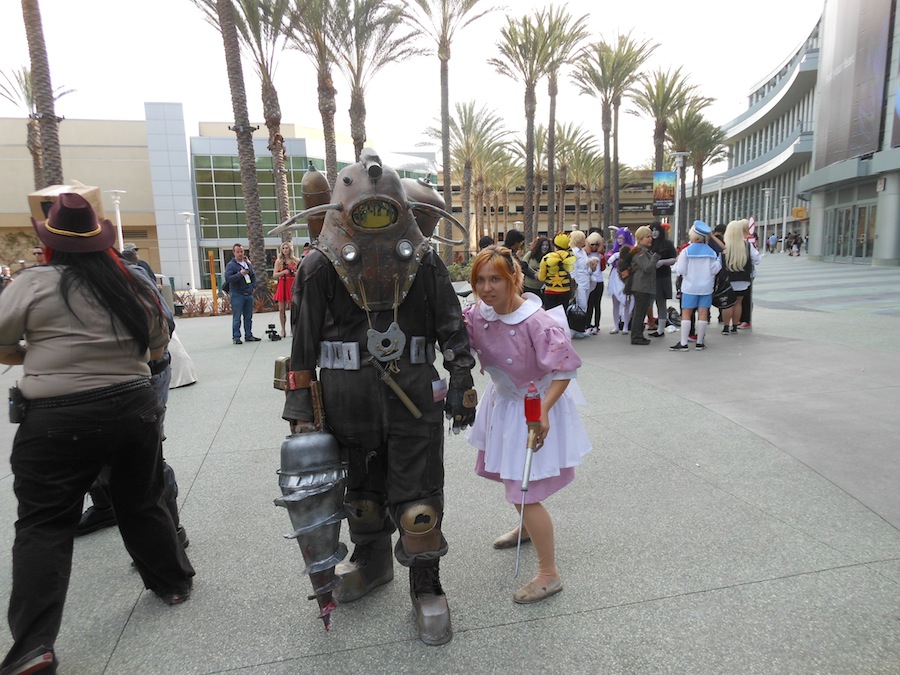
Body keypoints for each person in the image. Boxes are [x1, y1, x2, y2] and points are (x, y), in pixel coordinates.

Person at [280, 154, 476, 645]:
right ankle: (371, 560)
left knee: (418, 504)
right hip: (346, 402)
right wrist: (301, 412)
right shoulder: (317, 268)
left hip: (413, 395)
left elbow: (452, 327)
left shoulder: (425, 261)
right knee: (362, 498)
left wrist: (460, 380)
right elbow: (300, 350)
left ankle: (426, 583)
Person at [0, 193, 195, 674]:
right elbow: (156, 344)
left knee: (43, 524)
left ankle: (33, 644)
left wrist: (42, 355)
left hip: (54, 417)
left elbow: (3, 341)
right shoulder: (128, 281)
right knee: (142, 499)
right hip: (131, 405)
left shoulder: (33, 281)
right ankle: (172, 583)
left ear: (51, 242)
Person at [464, 246, 591, 604]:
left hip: (534, 406)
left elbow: (565, 370)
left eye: (496, 280)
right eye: (480, 280)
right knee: (514, 479)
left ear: (515, 279)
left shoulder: (537, 322)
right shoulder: (477, 314)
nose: (487, 288)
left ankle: (549, 574)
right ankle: (526, 529)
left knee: (527, 490)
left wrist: (544, 411)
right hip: (503, 403)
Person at [75, 246, 189, 550]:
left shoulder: (130, 276)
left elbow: (164, 327)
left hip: (143, 375)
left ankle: (171, 530)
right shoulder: (68, 279)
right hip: (96, 382)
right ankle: (105, 507)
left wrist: (140, 357)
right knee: (96, 451)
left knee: (148, 456)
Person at [669, 221, 721, 352]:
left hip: (690, 287)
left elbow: (680, 270)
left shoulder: (686, 251)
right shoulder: (711, 252)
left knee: (686, 313)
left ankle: (684, 343)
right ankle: (699, 343)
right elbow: (715, 269)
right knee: (703, 313)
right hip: (706, 288)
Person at [720, 219, 760, 334]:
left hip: (727, 279)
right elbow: (757, 259)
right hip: (743, 279)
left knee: (727, 304)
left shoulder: (725, 245)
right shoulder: (747, 245)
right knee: (738, 303)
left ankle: (726, 327)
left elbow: (718, 263)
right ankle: (734, 327)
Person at [627, 226, 659, 346]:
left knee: (642, 311)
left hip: (645, 286)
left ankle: (639, 334)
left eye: (651, 236)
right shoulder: (640, 252)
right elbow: (647, 267)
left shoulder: (645, 251)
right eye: (647, 237)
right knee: (639, 313)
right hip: (640, 286)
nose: (650, 239)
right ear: (640, 238)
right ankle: (636, 336)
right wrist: (656, 256)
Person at [225, 243, 260, 344]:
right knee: (237, 317)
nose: (240, 253)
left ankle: (248, 335)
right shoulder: (231, 265)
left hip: (248, 293)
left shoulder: (247, 264)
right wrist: (239, 274)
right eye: (238, 252)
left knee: (248, 316)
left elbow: (253, 276)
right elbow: (228, 278)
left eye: (241, 251)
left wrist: (253, 286)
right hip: (237, 294)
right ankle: (236, 337)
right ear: (234, 253)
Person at [647, 222, 677, 337]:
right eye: (652, 230)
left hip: (662, 276)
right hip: (649, 276)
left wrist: (663, 262)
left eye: (656, 230)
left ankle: (660, 329)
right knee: (648, 302)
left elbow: (674, 259)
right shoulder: (648, 243)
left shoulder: (667, 244)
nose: (654, 233)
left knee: (661, 302)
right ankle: (651, 323)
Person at [568, 230, 597, 339]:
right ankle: (574, 329)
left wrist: (592, 268)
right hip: (578, 283)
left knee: (583, 307)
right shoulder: (574, 252)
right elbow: (573, 270)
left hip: (586, 281)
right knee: (580, 305)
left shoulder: (583, 252)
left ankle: (579, 328)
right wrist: (574, 285)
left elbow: (586, 269)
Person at [606, 227, 635, 334]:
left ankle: (626, 326)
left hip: (626, 276)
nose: (619, 240)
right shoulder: (614, 250)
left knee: (626, 301)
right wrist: (613, 255)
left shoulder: (631, 250)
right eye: (618, 237)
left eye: (622, 238)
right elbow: (608, 256)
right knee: (615, 302)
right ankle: (616, 326)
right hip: (615, 275)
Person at [538, 232, 575, 311]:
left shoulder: (546, 258)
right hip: (566, 291)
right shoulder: (571, 257)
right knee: (563, 314)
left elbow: (541, 278)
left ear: (555, 245)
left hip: (550, 291)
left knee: (551, 316)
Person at [273, 241, 301, 338]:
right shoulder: (279, 261)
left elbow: (301, 274)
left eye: (287, 248)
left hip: (292, 284)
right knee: (281, 309)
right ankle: (283, 329)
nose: (285, 250)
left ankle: (293, 329)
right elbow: (275, 275)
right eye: (283, 248)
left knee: (292, 308)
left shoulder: (296, 260)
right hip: (282, 284)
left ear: (290, 249)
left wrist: (293, 272)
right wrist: (284, 272)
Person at [585, 232, 606, 335]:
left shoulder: (600, 254)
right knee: (589, 304)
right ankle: (587, 325)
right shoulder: (585, 254)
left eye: (596, 244)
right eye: (592, 244)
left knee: (597, 305)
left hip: (599, 281)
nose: (594, 246)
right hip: (589, 281)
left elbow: (603, 268)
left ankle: (597, 326)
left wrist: (602, 259)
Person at [522, 236, 550, 301]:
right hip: (529, 287)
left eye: (547, 245)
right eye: (543, 245)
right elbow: (523, 265)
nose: (545, 247)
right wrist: (534, 274)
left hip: (544, 289)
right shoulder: (531, 254)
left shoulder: (551, 256)